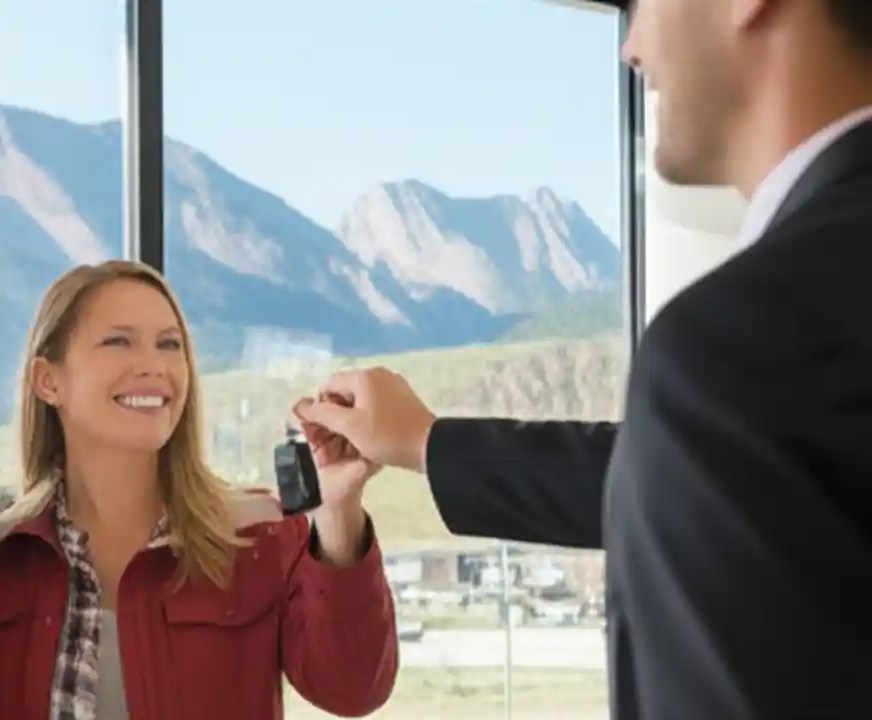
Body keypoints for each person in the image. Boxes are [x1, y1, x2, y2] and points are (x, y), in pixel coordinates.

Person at [294, 0, 872, 717]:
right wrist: (424, 441)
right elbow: (694, 475)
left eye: (642, 4)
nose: (631, 46)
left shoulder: (745, 334)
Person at [0, 260, 398, 719]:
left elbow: (353, 689)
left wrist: (338, 510)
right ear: (48, 380)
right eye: (119, 341)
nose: (154, 365)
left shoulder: (260, 535)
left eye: (169, 344)